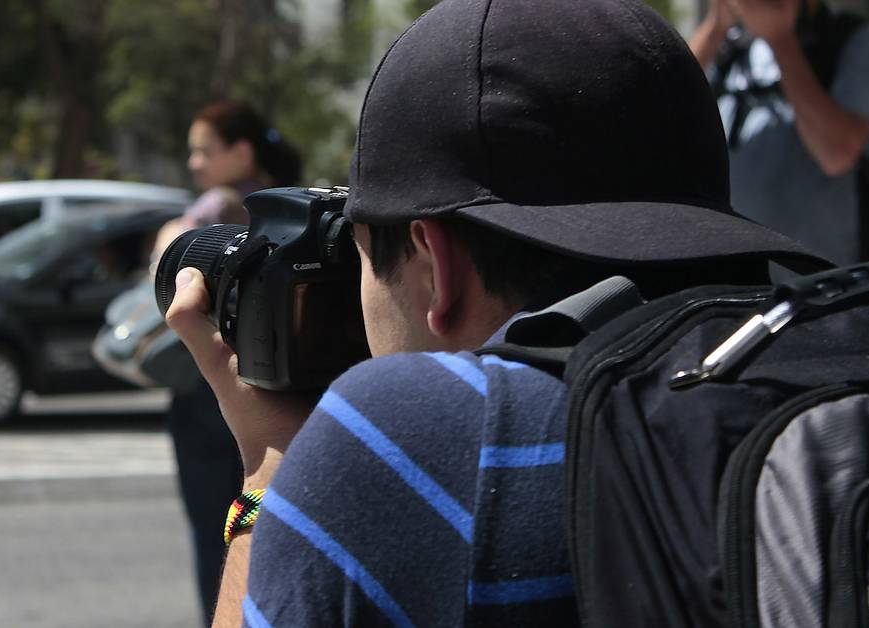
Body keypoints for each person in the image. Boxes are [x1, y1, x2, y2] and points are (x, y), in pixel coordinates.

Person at [162, 0, 829, 625]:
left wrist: (271, 466)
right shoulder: (824, 362)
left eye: (358, 252)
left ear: (435, 264)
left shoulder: (410, 433)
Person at [159, 100, 302, 626]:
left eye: (204, 150)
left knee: (217, 536)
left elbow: (167, 268)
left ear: (241, 153)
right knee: (276, 521)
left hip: (211, 394)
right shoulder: (291, 208)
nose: (194, 162)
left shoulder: (216, 206)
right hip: (284, 382)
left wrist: (169, 241)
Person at [689, 0, 869, 265]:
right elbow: (659, 115)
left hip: (822, 279)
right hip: (731, 275)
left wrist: (781, 42)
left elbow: (837, 154)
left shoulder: (863, 43)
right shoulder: (729, 47)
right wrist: (715, 27)